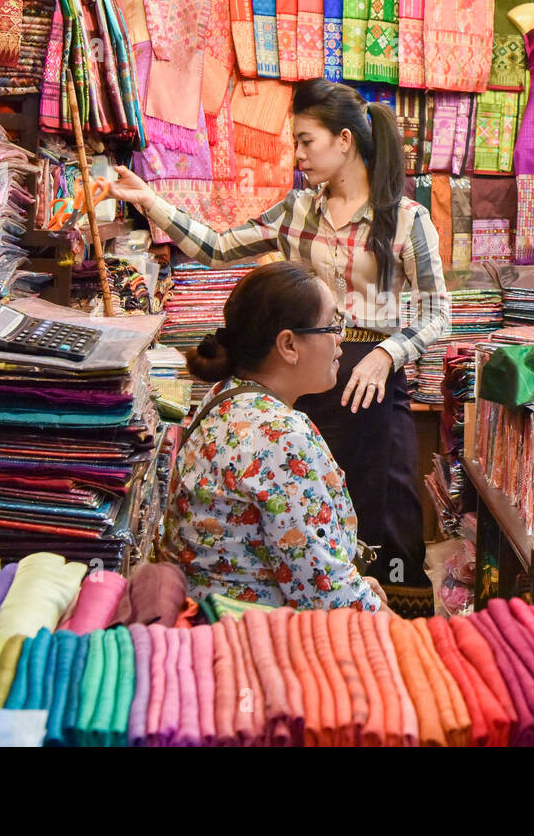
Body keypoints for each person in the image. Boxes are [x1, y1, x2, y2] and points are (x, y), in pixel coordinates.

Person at [111, 79, 448, 616]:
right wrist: (151, 201)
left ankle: (391, 643)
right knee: (299, 513)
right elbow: (218, 247)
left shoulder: (407, 220)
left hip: (373, 386)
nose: (297, 155)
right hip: (307, 380)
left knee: (388, 519)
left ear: (344, 140)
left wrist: (388, 354)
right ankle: (307, 628)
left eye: (306, 141)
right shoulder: (296, 212)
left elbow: (436, 315)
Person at [162, 260, 385, 611]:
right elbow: (326, 595)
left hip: (215, 624)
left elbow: (309, 566)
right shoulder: (280, 436)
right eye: (332, 325)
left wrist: (356, 584)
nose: (341, 338)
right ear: (288, 345)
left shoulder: (225, 396)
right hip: (256, 639)